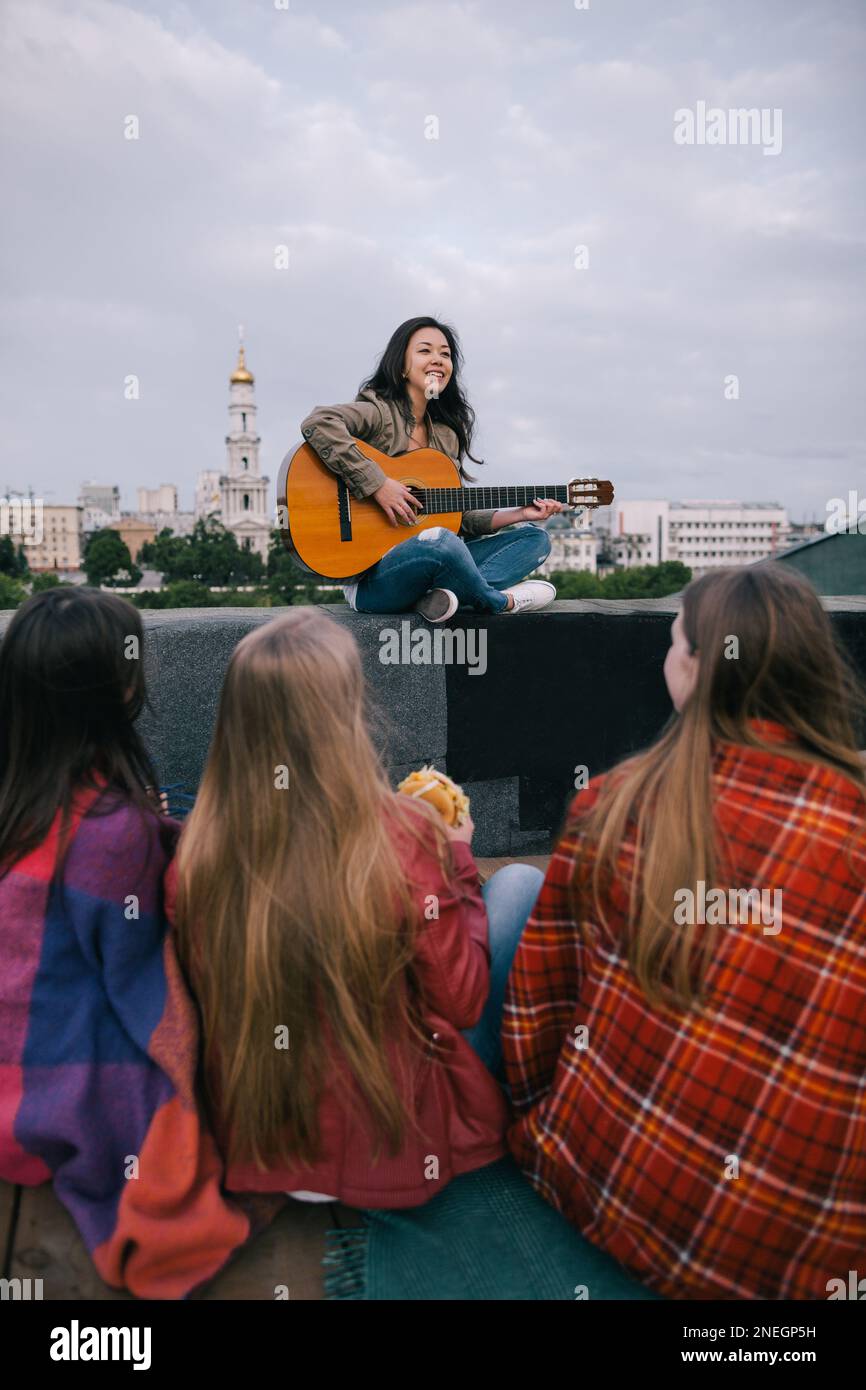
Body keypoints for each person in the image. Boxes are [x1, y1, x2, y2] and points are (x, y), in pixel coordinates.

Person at [503, 563, 866, 1300]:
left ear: (694, 668)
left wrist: (548, 1121)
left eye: (676, 642)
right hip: (797, 1266)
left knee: (513, 895)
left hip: (600, 1187)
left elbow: (539, 1012)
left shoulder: (613, 802)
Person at [167, 607, 543, 1206]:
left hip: (261, 1138)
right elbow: (462, 996)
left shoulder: (198, 848)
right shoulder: (401, 837)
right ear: (346, 715)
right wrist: (456, 864)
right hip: (390, 1142)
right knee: (520, 885)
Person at [0, 587, 275, 1298]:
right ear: (116, 692)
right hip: (40, 1103)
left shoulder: (21, 794)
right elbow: (146, 971)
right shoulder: (112, 833)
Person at [299, 315, 563, 621]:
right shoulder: (377, 414)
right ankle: (499, 602)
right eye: (425, 351)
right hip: (374, 581)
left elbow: (457, 516)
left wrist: (518, 514)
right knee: (440, 541)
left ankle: (439, 598)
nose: (437, 359)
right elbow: (318, 422)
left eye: (445, 354)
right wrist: (378, 484)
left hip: (434, 561)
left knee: (534, 539)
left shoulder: (445, 435)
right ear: (401, 365)